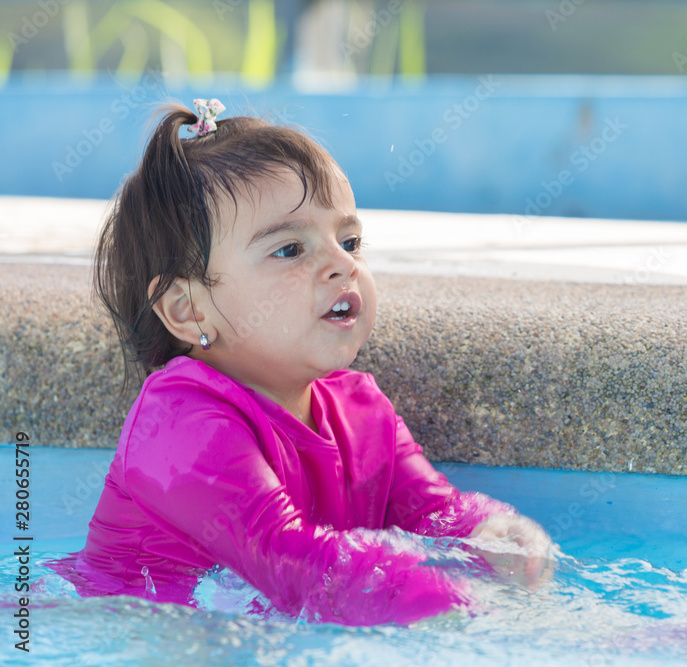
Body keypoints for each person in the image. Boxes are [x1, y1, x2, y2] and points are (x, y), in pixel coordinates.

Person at [52, 99, 552, 626]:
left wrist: (489, 530)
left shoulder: (361, 410)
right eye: (291, 249)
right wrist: (457, 608)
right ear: (188, 308)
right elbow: (289, 561)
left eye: (350, 241)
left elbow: (432, 513)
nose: (342, 265)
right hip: (124, 636)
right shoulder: (179, 422)